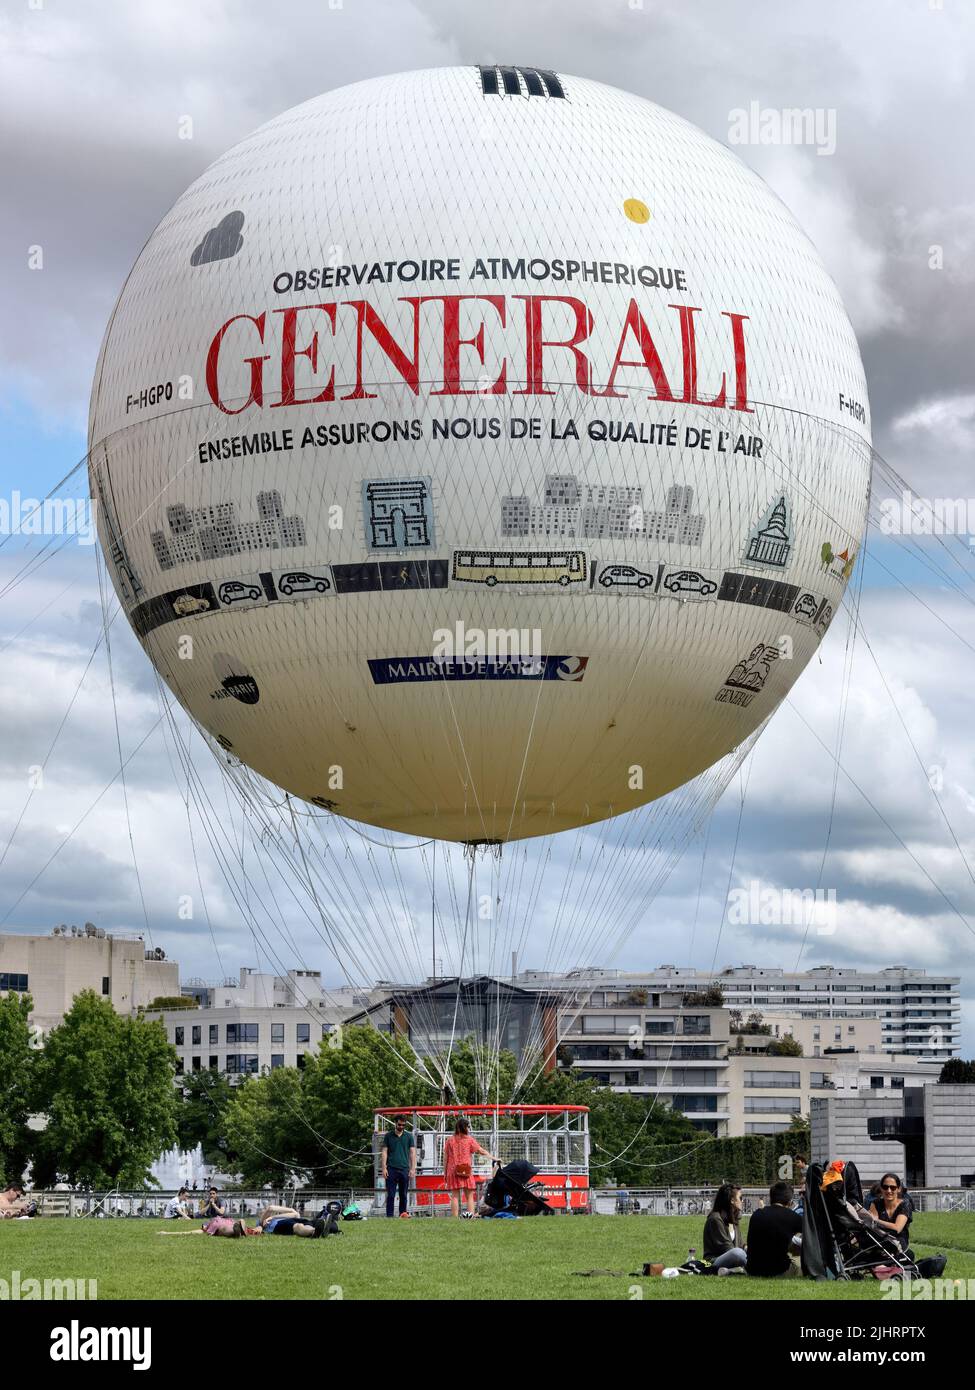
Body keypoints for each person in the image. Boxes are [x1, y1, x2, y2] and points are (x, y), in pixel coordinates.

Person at [745, 1181, 802, 1278]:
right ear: (789, 1201)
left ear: (771, 1198)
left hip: (752, 1269)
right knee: (799, 1269)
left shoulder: (757, 1214)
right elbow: (811, 1234)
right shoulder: (792, 1217)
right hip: (778, 1270)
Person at [443, 1116, 496, 1218]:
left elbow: (445, 1158)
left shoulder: (450, 1140)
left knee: (454, 1196)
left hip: (452, 1170)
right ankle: (470, 1217)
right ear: (464, 1128)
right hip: (465, 1171)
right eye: (468, 1127)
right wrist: (494, 1158)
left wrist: (445, 1173)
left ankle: (454, 1218)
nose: (469, 1129)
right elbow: (481, 1151)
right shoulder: (469, 1140)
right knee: (469, 1196)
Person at [703, 1184, 747, 1270]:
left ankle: (731, 1270)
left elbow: (740, 1244)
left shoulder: (734, 1218)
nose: (742, 1201)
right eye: (740, 1198)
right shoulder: (715, 1219)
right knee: (737, 1253)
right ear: (732, 1200)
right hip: (714, 1260)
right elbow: (726, 1248)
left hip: (733, 1255)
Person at [381, 1115, 416, 1218]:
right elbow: (384, 1152)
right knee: (391, 1195)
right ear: (395, 1123)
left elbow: (412, 1153)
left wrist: (413, 1168)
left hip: (404, 1169)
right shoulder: (388, 1136)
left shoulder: (409, 1136)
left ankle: (403, 1214)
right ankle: (390, 1216)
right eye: (399, 1124)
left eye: (403, 1125)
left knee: (403, 1194)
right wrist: (384, 1168)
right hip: (391, 1168)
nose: (401, 1126)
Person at [867, 1173, 912, 1251]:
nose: (889, 1190)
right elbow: (872, 1225)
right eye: (885, 1187)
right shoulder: (875, 1203)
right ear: (881, 1188)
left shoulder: (905, 1204)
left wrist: (877, 1221)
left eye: (893, 1187)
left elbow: (897, 1228)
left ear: (899, 1189)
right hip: (880, 1239)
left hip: (899, 1241)